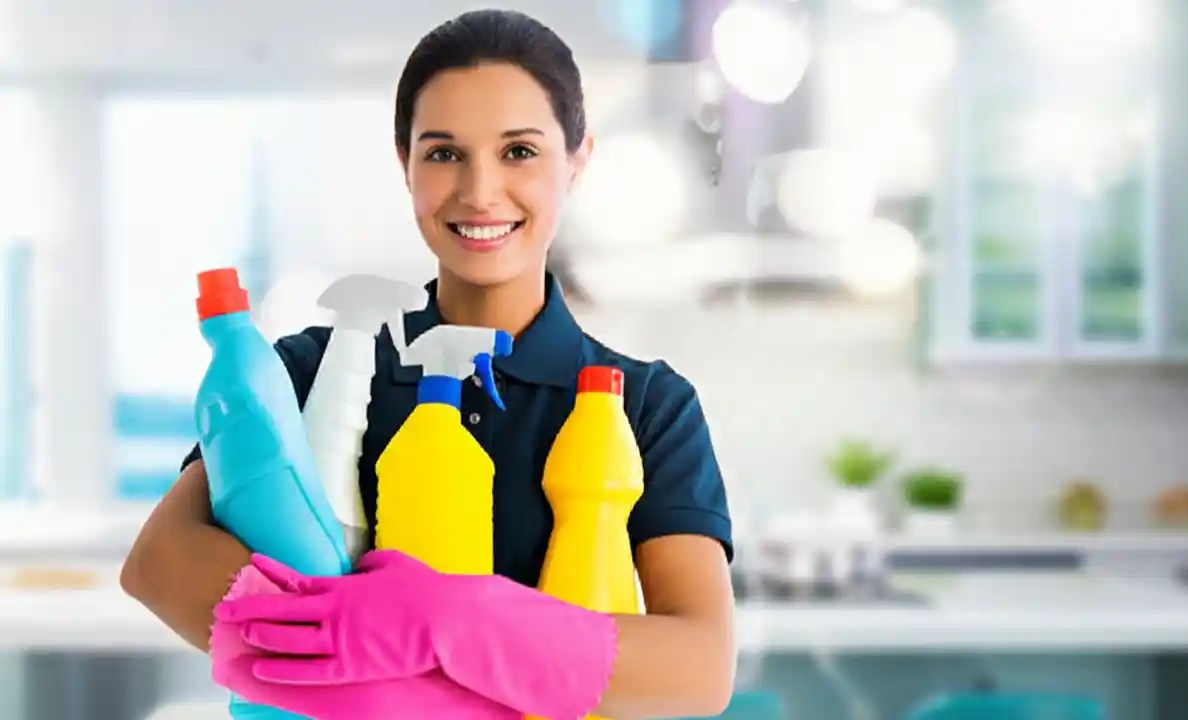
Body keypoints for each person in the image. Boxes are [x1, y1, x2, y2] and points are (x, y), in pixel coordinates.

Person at [121, 8, 736, 719]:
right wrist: (407, 682)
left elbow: (698, 666)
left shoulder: (645, 407)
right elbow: (160, 565)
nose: (479, 192)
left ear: (577, 161)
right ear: (404, 164)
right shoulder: (312, 372)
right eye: (444, 153)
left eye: (519, 152)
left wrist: (446, 623)